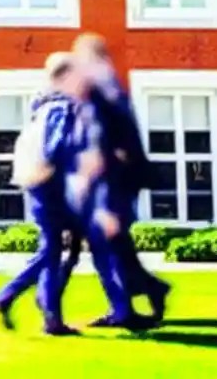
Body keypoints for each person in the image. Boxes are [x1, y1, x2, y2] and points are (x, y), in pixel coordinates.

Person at [65, 33, 170, 326]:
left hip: (113, 182)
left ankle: (131, 303)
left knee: (107, 241)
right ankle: (140, 297)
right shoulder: (111, 89)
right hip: (117, 180)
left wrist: (89, 178)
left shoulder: (102, 91)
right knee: (115, 244)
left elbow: (104, 140)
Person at [0, 52, 87, 336]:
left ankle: (52, 319)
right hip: (52, 184)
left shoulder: (42, 105)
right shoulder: (63, 106)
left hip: (36, 182)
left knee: (54, 248)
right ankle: (7, 295)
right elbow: (56, 147)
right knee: (54, 250)